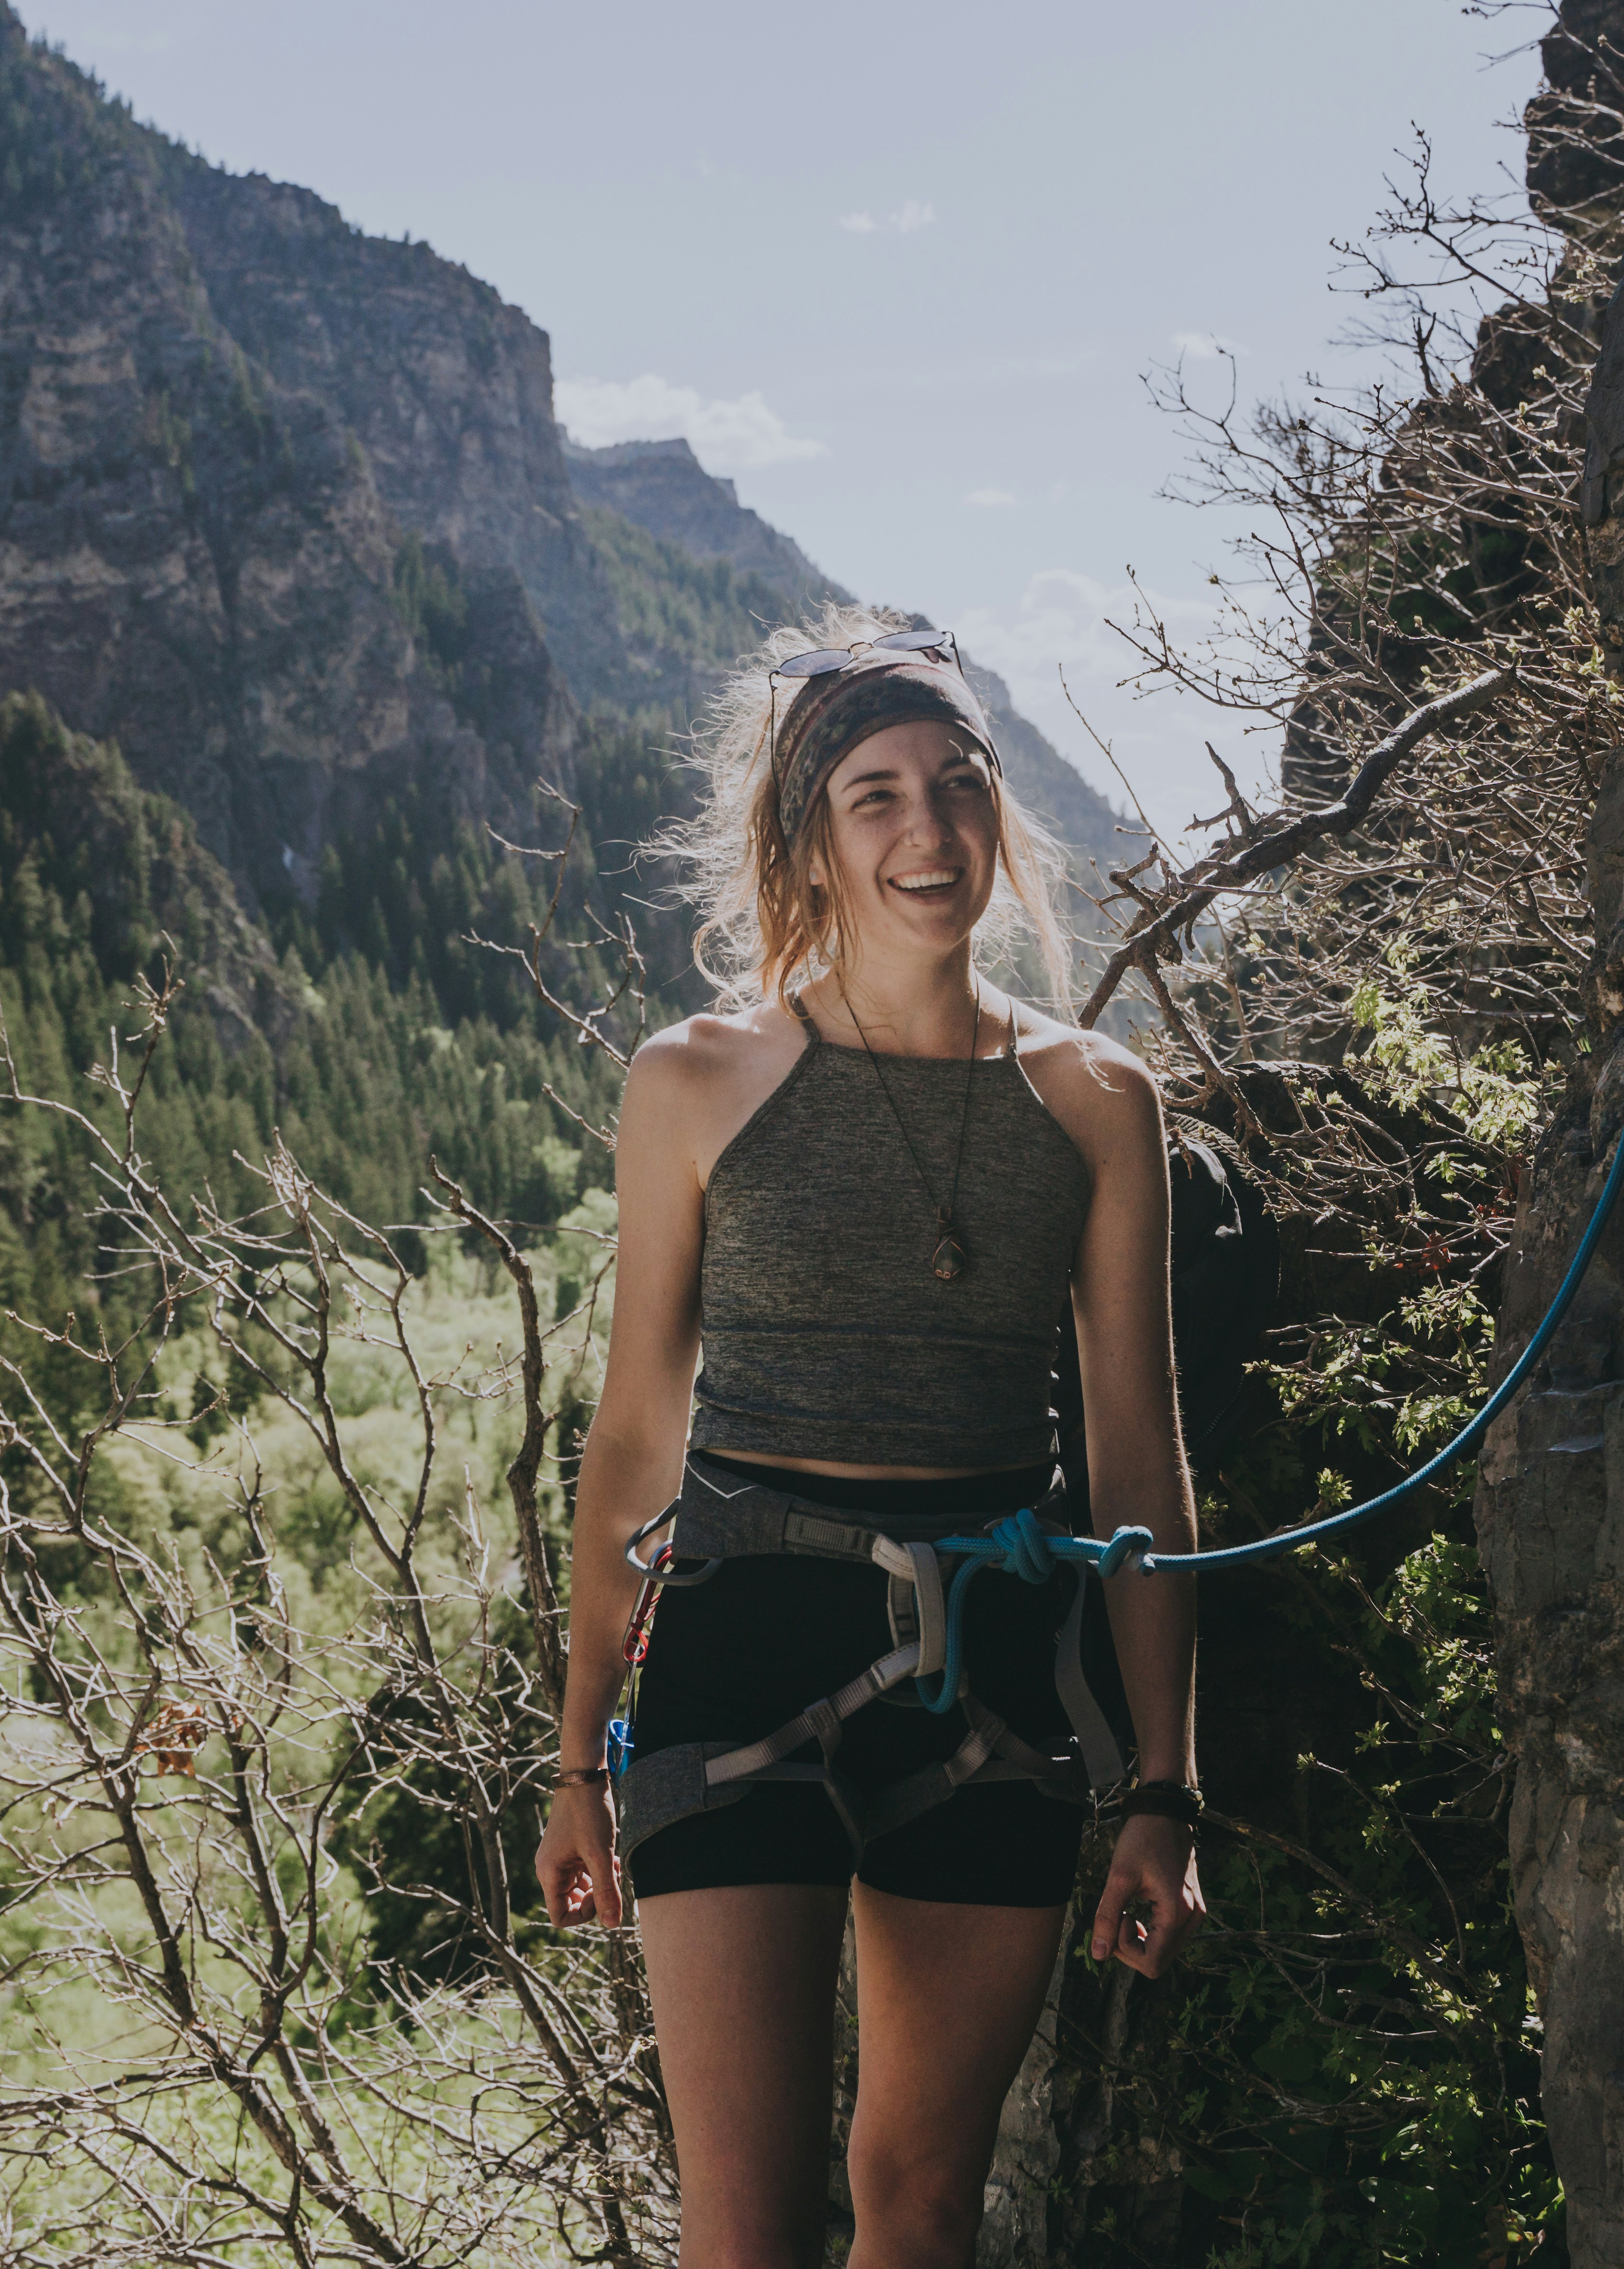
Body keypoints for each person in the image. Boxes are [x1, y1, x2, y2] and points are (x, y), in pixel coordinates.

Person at [536, 612, 1206, 2269]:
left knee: (922, 2211)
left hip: (995, 1658)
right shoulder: (695, 1082)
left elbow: (1138, 1463)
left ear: (1000, 817)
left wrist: (1167, 1787)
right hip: (743, 1645)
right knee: (746, 2233)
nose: (926, 831)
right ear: (807, 840)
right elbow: (635, 1435)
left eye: (957, 787)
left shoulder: (1099, 1100)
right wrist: (574, 1753)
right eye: (874, 795)